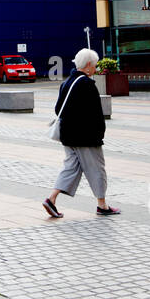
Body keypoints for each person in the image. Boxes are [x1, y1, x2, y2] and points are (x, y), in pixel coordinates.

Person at [43, 48, 119, 217]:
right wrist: (100, 134)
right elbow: (96, 114)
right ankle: (102, 205)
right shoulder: (87, 84)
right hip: (86, 138)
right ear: (89, 65)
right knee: (97, 169)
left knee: (71, 168)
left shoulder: (66, 83)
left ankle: (51, 199)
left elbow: (58, 110)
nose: (96, 68)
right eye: (96, 65)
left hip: (67, 137)